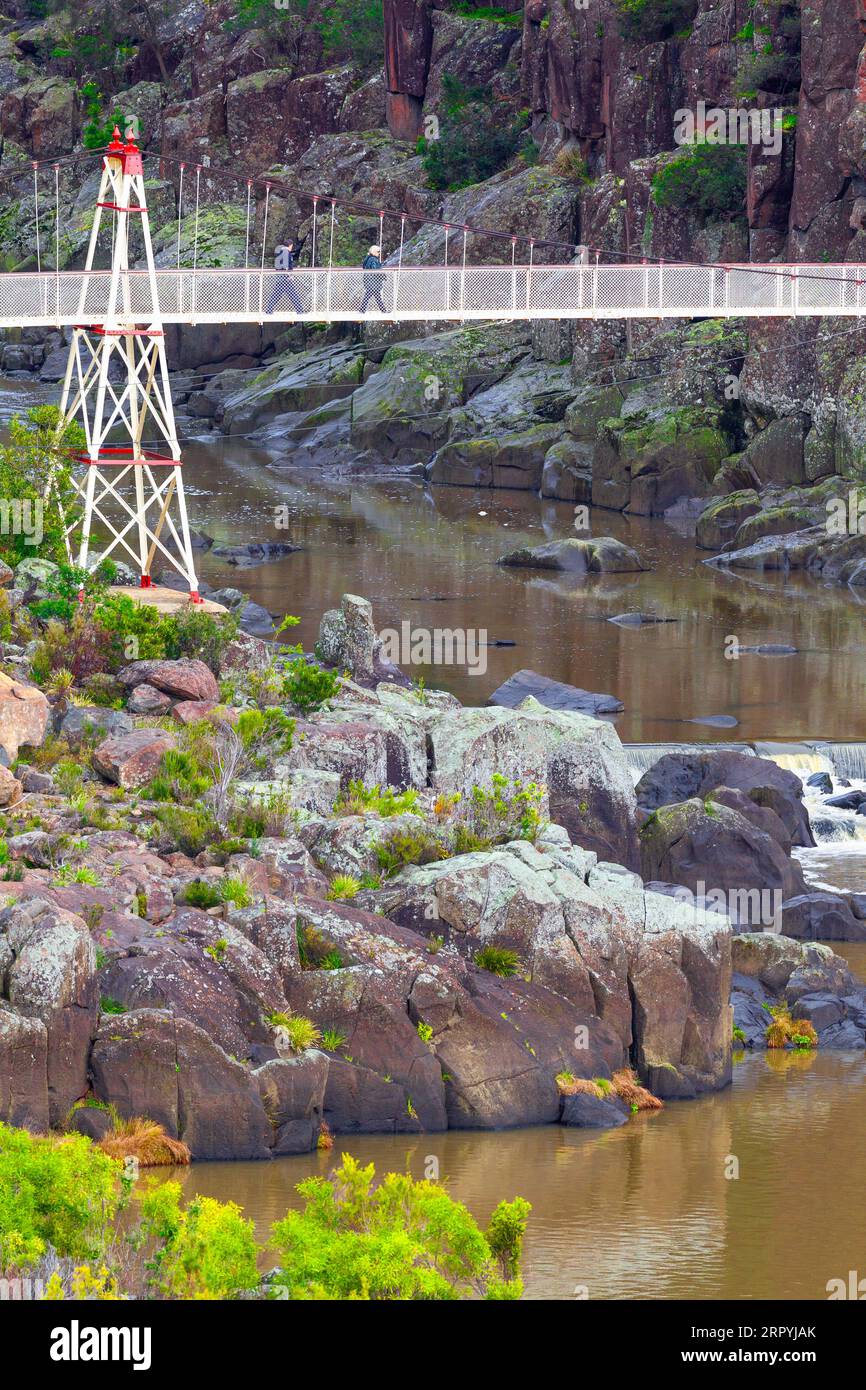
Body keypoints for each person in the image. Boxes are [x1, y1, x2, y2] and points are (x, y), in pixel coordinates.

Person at [266, 240, 304, 314]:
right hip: (285, 278)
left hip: (279, 277)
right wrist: (289, 275)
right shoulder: (286, 253)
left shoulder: (279, 253)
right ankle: (300, 311)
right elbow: (286, 265)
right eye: (292, 246)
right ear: (290, 245)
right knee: (293, 294)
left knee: (277, 294)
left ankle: (269, 310)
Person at [360, 244, 387, 314]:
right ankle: (362, 310)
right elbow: (375, 270)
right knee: (370, 295)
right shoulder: (373, 259)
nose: (379, 253)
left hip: (369, 280)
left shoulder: (368, 258)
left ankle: (383, 310)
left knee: (376, 296)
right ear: (374, 252)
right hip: (372, 281)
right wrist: (383, 276)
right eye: (378, 251)